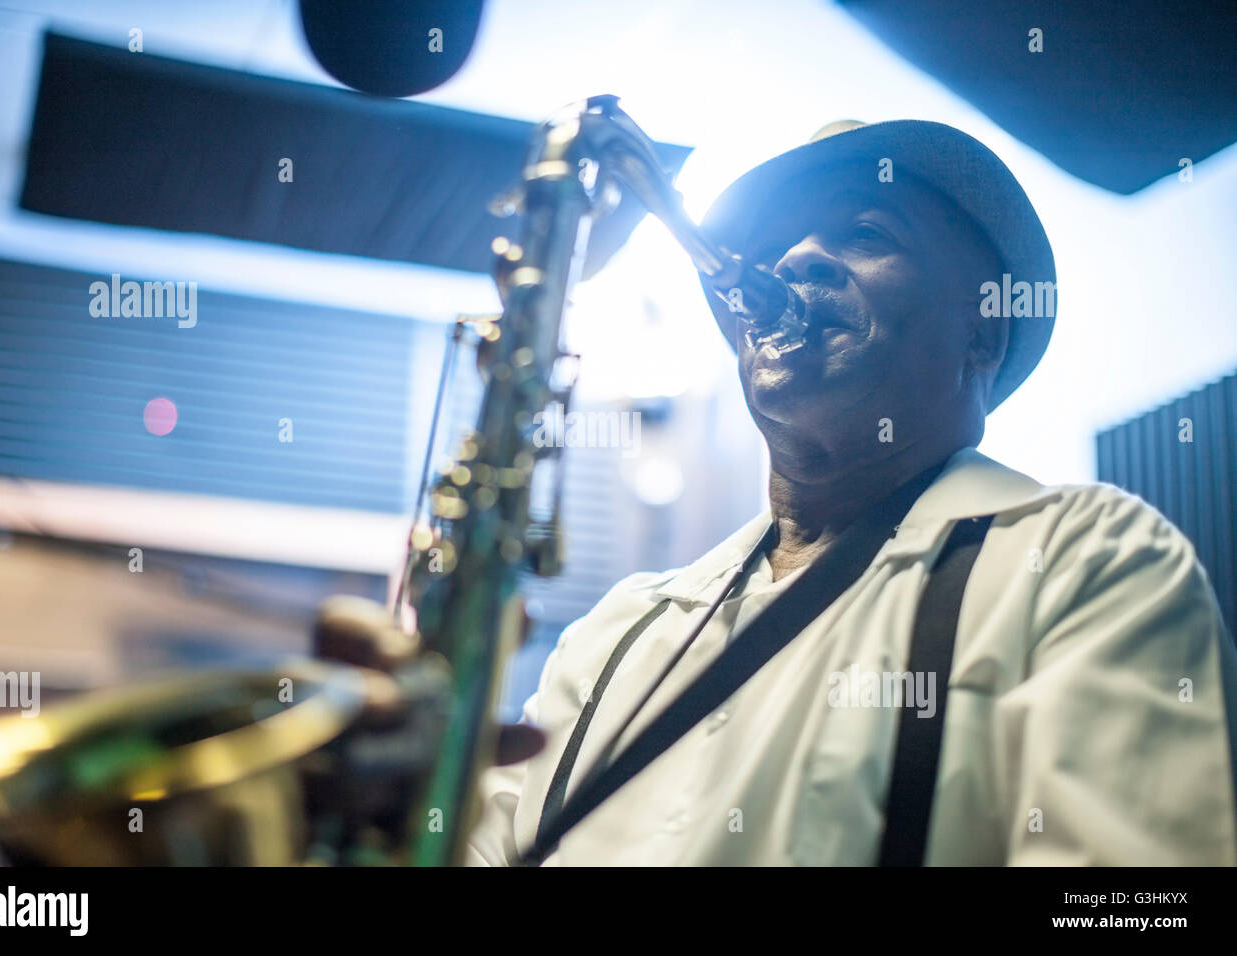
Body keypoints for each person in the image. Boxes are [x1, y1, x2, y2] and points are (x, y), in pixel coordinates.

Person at [322, 119, 1237, 866]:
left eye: (867, 235)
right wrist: (387, 807)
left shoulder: (1090, 560)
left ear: (983, 338)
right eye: (776, 245)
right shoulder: (614, 635)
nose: (795, 261)